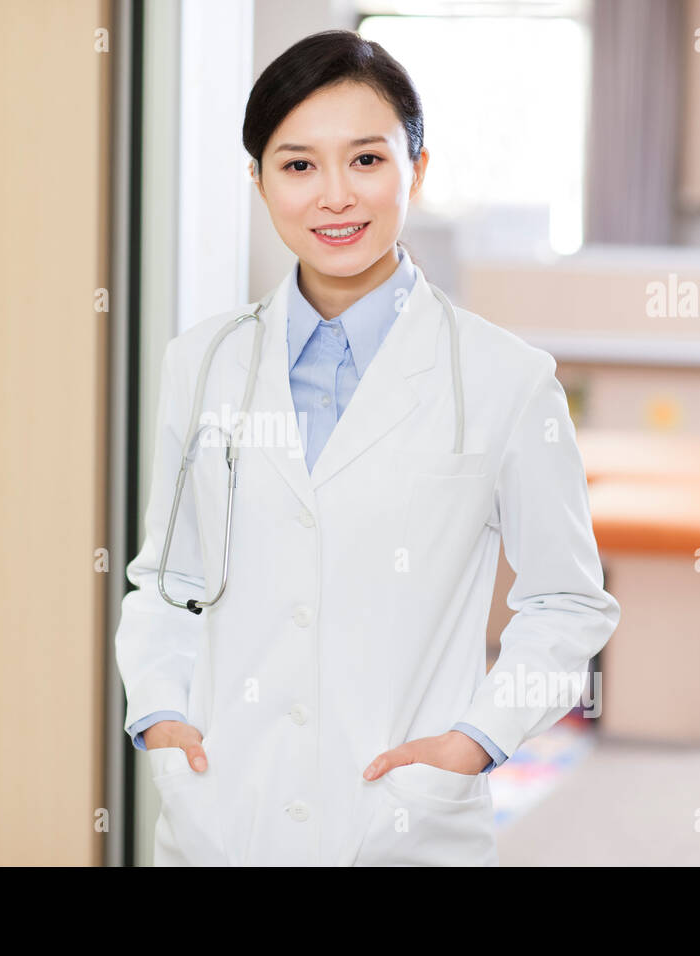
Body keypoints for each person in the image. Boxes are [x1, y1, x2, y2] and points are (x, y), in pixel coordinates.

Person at [115, 29, 619, 866]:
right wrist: (164, 718)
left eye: (367, 160)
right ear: (259, 179)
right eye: (298, 165)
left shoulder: (506, 379)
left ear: (416, 169)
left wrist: (475, 740)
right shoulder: (201, 363)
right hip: (223, 814)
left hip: (404, 823)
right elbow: (170, 580)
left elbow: (566, 603)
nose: (335, 197)